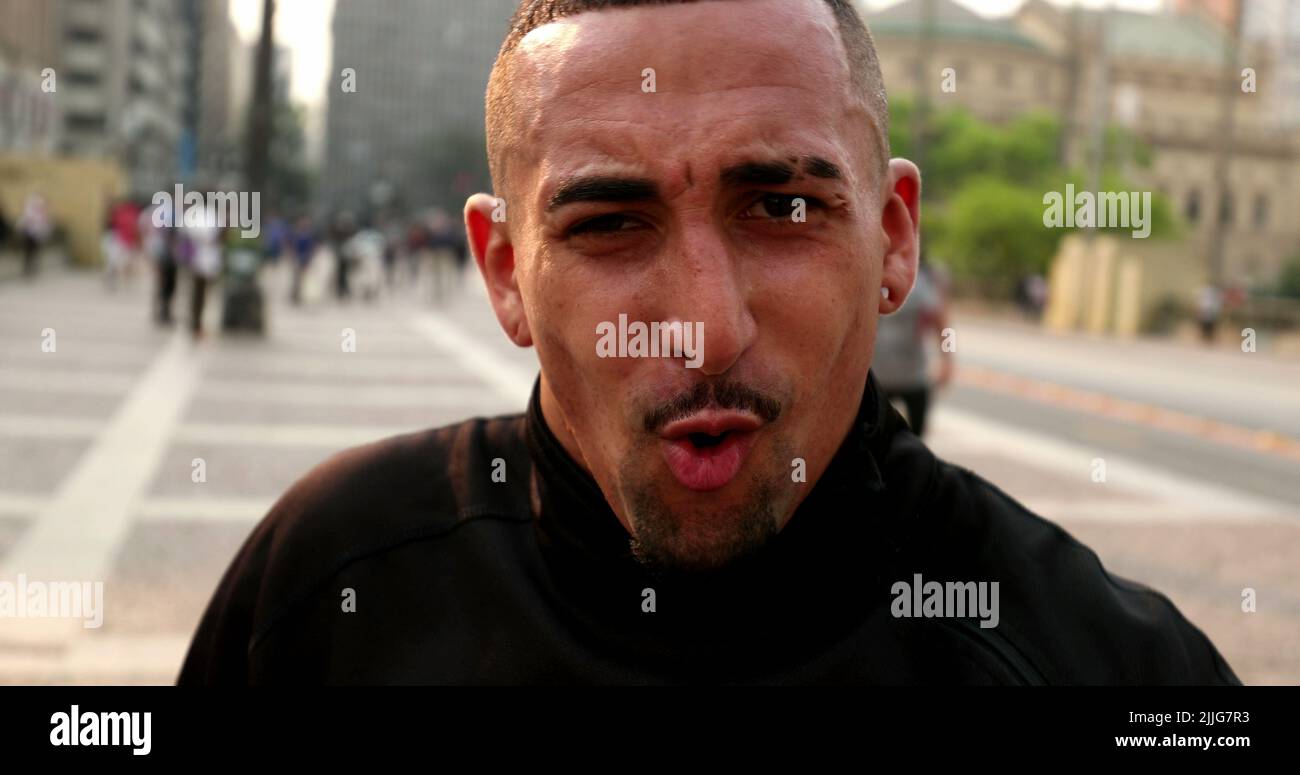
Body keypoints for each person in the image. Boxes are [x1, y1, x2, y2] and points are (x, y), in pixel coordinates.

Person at [180, 0, 1238, 685]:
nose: (707, 327)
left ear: (892, 238)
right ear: (504, 271)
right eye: (606, 224)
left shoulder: (1110, 671)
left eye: (780, 209)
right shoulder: (326, 590)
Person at [872, 258, 952, 437]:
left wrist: (948, 360)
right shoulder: (871, 265)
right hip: (876, 377)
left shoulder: (929, 276)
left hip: (914, 376)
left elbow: (945, 327)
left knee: (916, 440)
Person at [18, 192, 52, 278]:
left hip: (36, 233)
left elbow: (44, 223)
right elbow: (26, 221)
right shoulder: (30, 212)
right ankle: (27, 269)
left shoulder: (41, 215)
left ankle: (31, 268)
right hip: (29, 233)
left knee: (34, 251)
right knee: (29, 251)